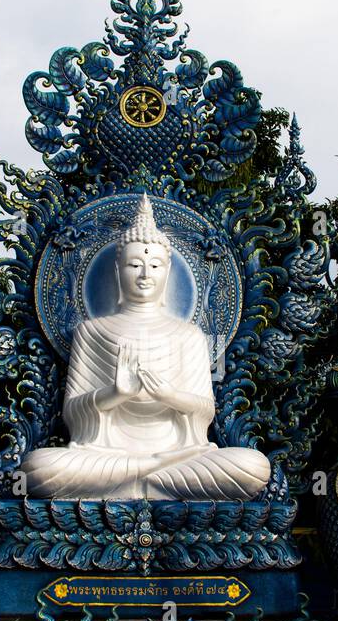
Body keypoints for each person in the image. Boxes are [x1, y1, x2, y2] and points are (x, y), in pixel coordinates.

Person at [22, 194, 270, 500]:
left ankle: (132, 481)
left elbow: (205, 410)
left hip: (180, 456)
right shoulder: (91, 332)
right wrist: (114, 394)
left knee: (252, 467)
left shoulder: (190, 335)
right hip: (108, 456)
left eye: (154, 265)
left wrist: (170, 396)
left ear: (167, 273)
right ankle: (150, 478)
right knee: (38, 469)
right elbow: (72, 414)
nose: (144, 275)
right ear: (117, 272)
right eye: (134, 265)